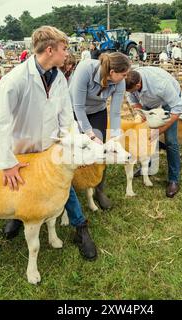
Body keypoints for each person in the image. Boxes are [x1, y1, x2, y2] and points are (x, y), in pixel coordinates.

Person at [0, 26, 97, 260]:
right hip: (23, 147)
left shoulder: (58, 78)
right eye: (64, 48)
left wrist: (72, 147)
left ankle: (80, 228)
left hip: (51, 148)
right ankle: (17, 218)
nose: (67, 54)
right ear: (50, 50)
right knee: (19, 183)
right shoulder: (15, 79)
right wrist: (7, 162)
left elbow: (66, 115)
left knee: (63, 186)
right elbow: (0, 122)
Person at [69, 52, 131, 210]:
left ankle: (99, 190)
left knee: (101, 150)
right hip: (75, 111)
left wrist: (116, 135)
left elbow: (116, 111)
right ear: (112, 73)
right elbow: (78, 107)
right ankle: (72, 189)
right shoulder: (85, 69)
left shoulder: (119, 82)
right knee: (76, 148)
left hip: (98, 111)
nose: (125, 78)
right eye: (123, 74)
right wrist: (89, 134)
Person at [125, 67, 182, 198]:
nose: (130, 93)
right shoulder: (130, 80)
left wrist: (159, 130)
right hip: (148, 103)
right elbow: (134, 102)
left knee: (170, 140)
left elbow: (178, 108)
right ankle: (148, 167)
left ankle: (174, 180)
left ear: (138, 85)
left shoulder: (160, 84)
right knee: (146, 134)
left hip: (169, 103)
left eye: (132, 90)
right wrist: (144, 116)